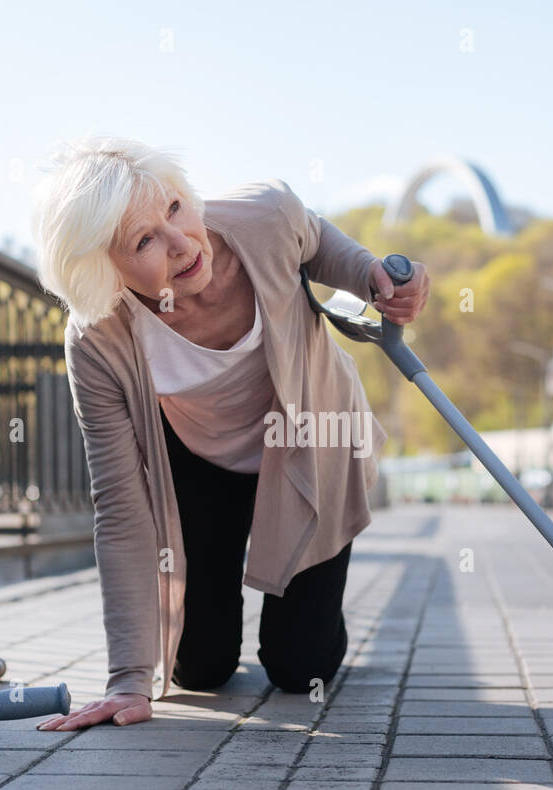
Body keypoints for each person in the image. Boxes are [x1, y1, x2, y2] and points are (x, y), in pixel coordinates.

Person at [29, 136, 429, 729]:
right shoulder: (98, 340)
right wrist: (129, 680)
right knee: (199, 669)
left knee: (301, 671)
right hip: (200, 463)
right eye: (142, 242)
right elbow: (120, 505)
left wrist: (370, 274)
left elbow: (316, 240)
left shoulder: (266, 216)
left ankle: (312, 610)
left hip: (305, 441)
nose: (181, 242)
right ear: (104, 270)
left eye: (173, 208)